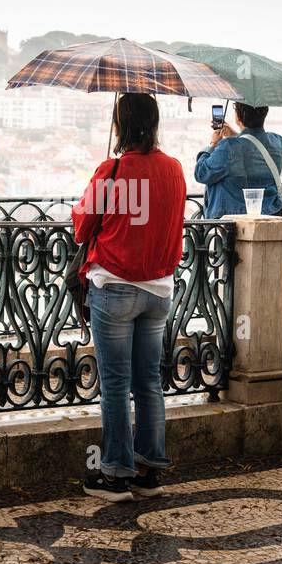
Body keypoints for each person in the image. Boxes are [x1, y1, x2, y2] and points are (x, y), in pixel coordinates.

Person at [73, 92, 186, 502]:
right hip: (159, 288)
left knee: (117, 384)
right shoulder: (174, 169)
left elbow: (83, 227)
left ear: (119, 126)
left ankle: (115, 474)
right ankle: (149, 468)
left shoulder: (113, 169)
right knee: (148, 381)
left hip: (115, 287)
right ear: (154, 124)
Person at [194, 103, 282, 219]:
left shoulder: (229, 147)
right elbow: (253, 147)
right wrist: (236, 135)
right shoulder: (278, 143)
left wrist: (213, 144)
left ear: (238, 117)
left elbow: (201, 173)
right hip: (270, 215)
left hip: (231, 223)